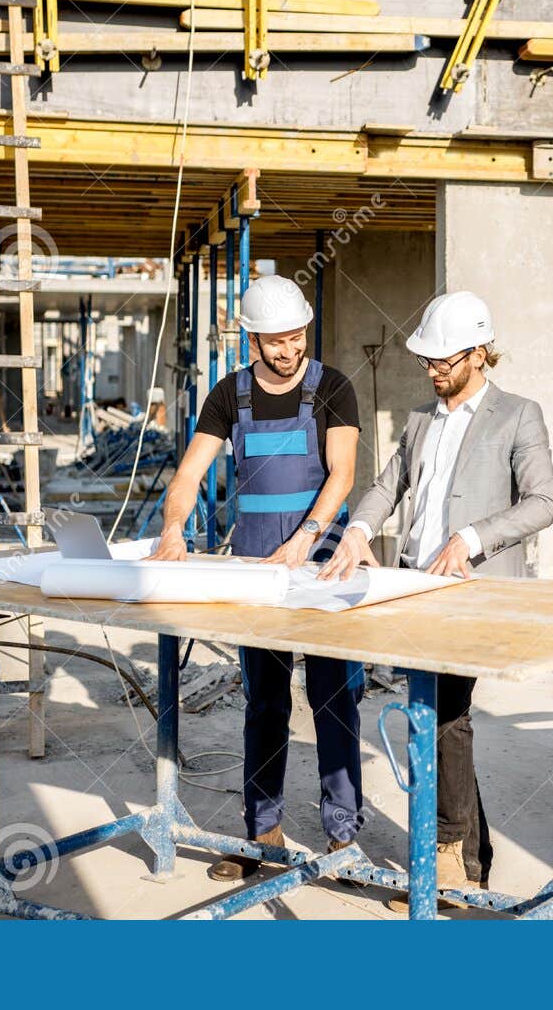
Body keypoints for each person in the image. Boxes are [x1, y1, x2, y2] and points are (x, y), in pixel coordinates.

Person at [319, 290, 553, 896]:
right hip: (414, 589)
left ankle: (447, 852)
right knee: (437, 713)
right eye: (426, 361)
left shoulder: (519, 414)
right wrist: (359, 529)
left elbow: (542, 503)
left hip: (472, 594)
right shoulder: (421, 418)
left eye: (443, 361)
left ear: (479, 353)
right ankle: (471, 858)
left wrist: (472, 537)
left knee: (444, 714)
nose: (431, 371)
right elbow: (386, 483)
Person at [151, 274, 364, 880]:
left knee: (334, 700)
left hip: (322, 565)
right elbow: (189, 475)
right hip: (254, 570)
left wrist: (305, 539)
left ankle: (343, 837)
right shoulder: (229, 396)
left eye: (297, 338)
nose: (289, 350)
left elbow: (342, 474)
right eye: (275, 342)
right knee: (265, 703)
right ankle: (261, 832)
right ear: (252, 340)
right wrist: (173, 529)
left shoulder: (333, 388)